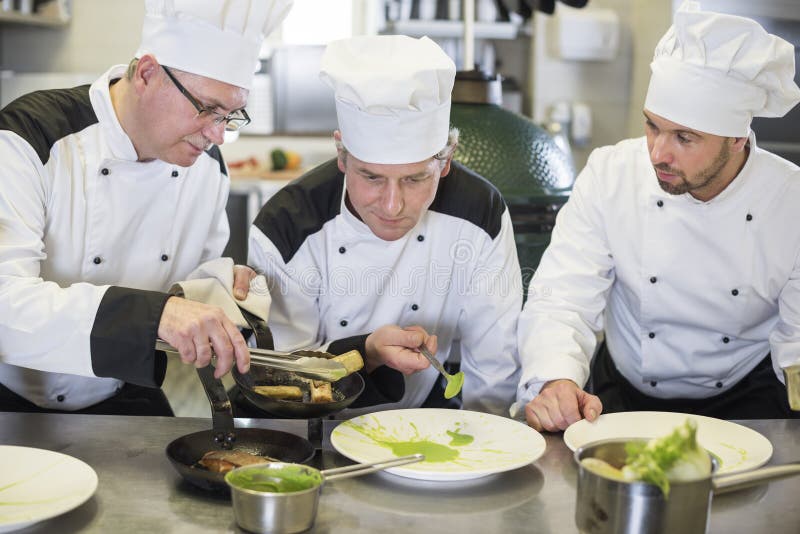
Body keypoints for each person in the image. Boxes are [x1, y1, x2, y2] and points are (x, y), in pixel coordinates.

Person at [515, 1, 800, 431]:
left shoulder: (790, 203)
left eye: (685, 137)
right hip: (621, 394)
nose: (657, 154)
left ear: (737, 139)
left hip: (747, 400)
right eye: (652, 126)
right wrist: (555, 378)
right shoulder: (612, 174)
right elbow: (564, 295)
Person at [0, 0, 293, 415]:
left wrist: (222, 286)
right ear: (147, 73)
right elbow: (4, 304)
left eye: (230, 116)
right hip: (11, 398)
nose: (217, 135)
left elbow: (186, 280)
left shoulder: (207, 167)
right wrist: (156, 317)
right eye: (207, 109)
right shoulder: (30, 138)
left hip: (122, 384)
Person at [240, 35, 522, 416]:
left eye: (415, 179)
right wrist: (366, 352)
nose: (393, 205)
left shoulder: (480, 211)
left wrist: (479, 454)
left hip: (431, 417)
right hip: (314, 426)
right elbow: (287, 378)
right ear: (342, 155)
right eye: (371, 178)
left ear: (446, 160)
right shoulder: (287, 224)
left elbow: (494, 368)